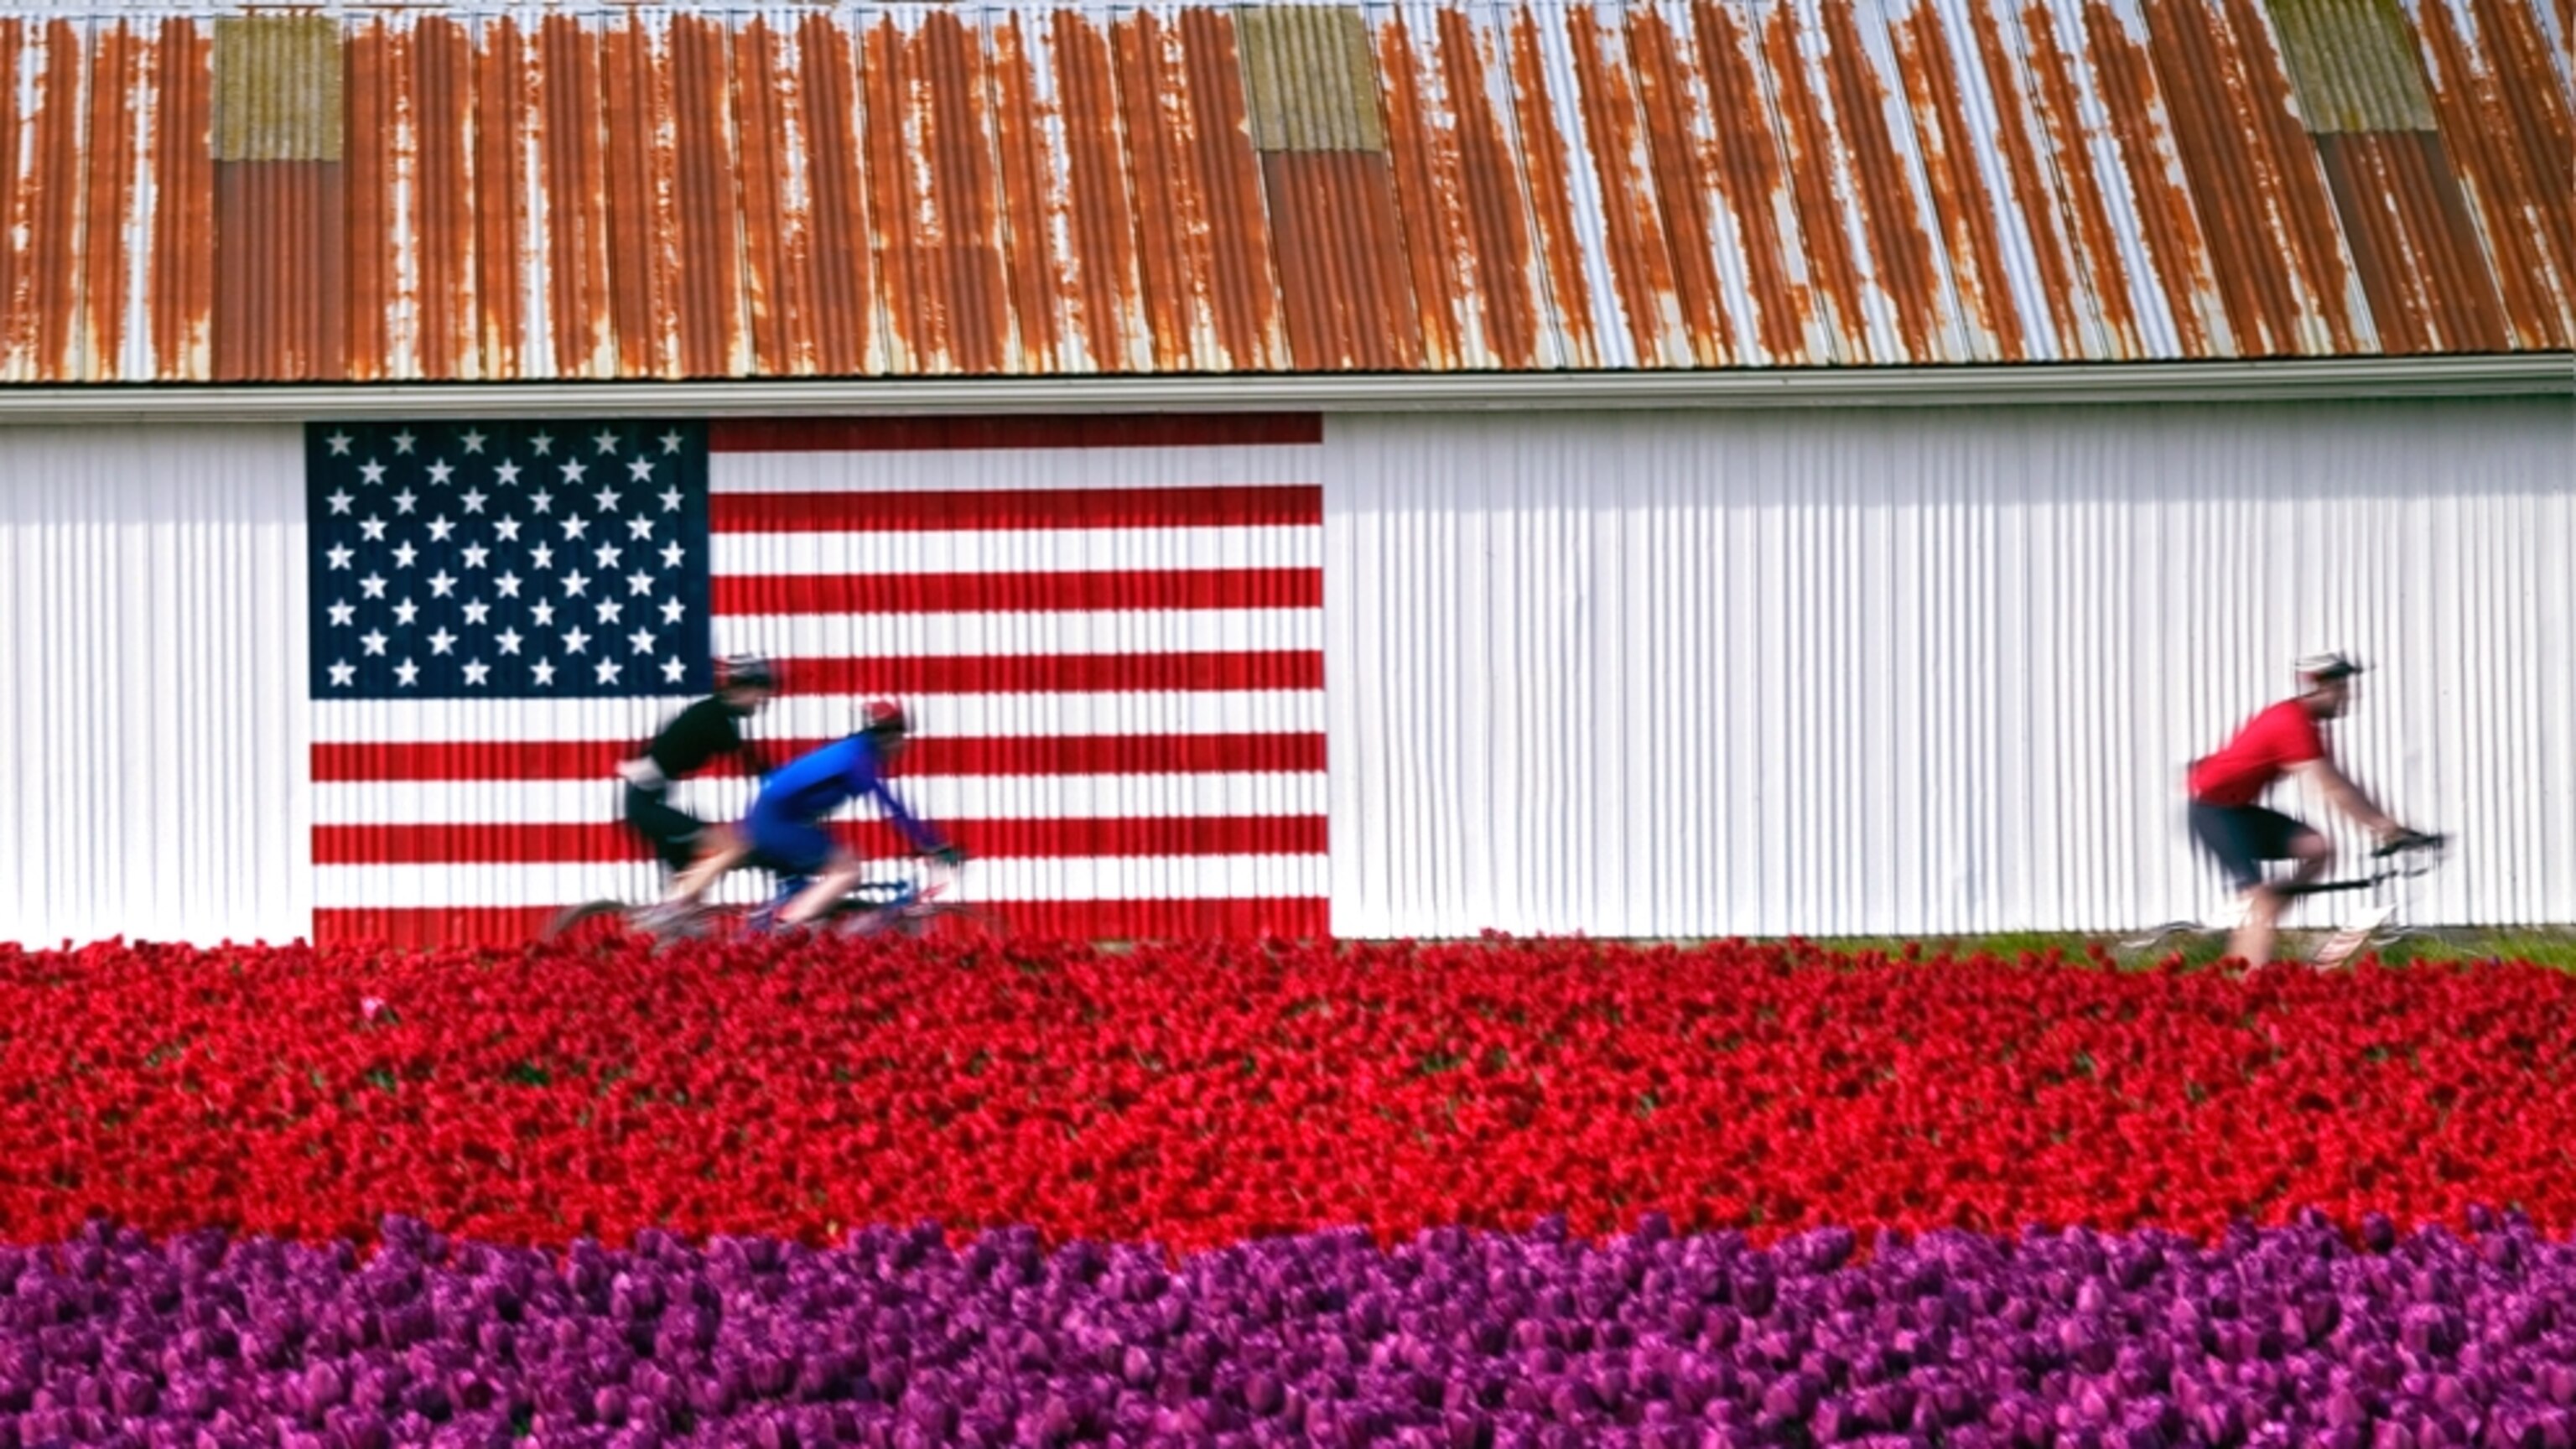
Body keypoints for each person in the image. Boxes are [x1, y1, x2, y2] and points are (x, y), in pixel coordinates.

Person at [2185, 652, 2424, 966]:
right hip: (2212, 810)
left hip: (2237, 808)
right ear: (2324, 685)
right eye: (2343, 687)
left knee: (2317, 848)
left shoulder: (2302, 722)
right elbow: (2331, 787)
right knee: (2261, 901)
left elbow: (2342, 782)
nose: (2350, 695)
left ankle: (2257, 921)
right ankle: (2246, 989)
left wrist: (2386, 826)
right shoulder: (2290, 722)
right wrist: (2385, 828)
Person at [743, 700, 964, 929]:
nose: (903, 745)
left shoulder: (851, 751)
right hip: (777, 822)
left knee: (828, 881)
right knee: (847, 872)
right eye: (901, 735)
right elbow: (892, 808)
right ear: (886, 736)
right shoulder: (858, 758)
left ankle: (797, 926)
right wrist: (935, 845)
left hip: (774, 818)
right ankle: (785, 927)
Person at [621, 655, 776, 928]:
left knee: (693, 903)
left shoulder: (715, 714)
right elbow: (756, 768)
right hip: (647, 808)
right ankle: (668, 911)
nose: (760, 703)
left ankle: (671, 936)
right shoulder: (715, 719)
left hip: (649, 804)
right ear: (743, 688)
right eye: (759, 695)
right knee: (736, 847)